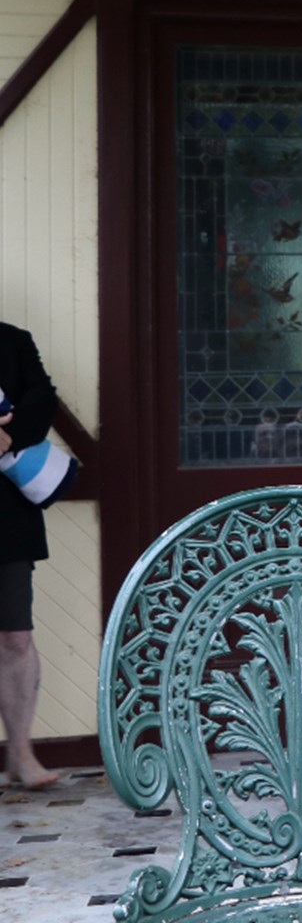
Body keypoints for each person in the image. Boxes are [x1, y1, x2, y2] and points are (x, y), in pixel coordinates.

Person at [0, 321, 63, 791]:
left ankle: (20, 754)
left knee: (15, 638)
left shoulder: (13, 340)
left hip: (6, 516)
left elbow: (43, 400)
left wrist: (10, 434)